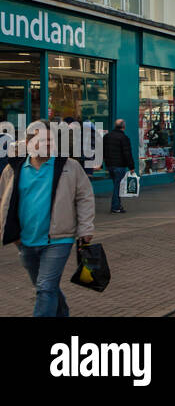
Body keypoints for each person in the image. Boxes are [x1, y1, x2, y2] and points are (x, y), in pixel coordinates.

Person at [1, 120, 95, 316]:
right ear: (28, 143)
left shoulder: (69, 166)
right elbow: (3, 201)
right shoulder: (13, 169)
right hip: (24, 240)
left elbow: (84, 197)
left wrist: (86, 228)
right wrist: (8, 230)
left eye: (51, 140)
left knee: (45, 287)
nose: (47, 145)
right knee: (45, 287)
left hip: (59, 239)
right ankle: (62, 313)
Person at [102, 119, 134, 214]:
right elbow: (127, 153)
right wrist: (131, 167)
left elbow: (103, 150)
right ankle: (115, 206)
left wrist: (105, 161)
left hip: (110, 165)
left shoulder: (107, 136)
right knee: (117, 187)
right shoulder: (124, 138)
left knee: (117, 185)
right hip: (119, 165)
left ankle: (118, 205)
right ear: (124, 127)